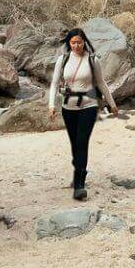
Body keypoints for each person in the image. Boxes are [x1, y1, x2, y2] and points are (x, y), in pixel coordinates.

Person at [49, 27, 118, 200]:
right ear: (69, 43)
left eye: (79, 42)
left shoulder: (92, 60)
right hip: (68, 107)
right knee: (75, 144)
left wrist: (112, 104)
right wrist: (51, 105)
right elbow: (54, 83)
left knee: (82, 142)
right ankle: (78, 170)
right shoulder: (63, 60)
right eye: (73, 43)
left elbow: (101, 83)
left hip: (88, 105)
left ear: (84, 42)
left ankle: (79, 184)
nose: (76, 46)